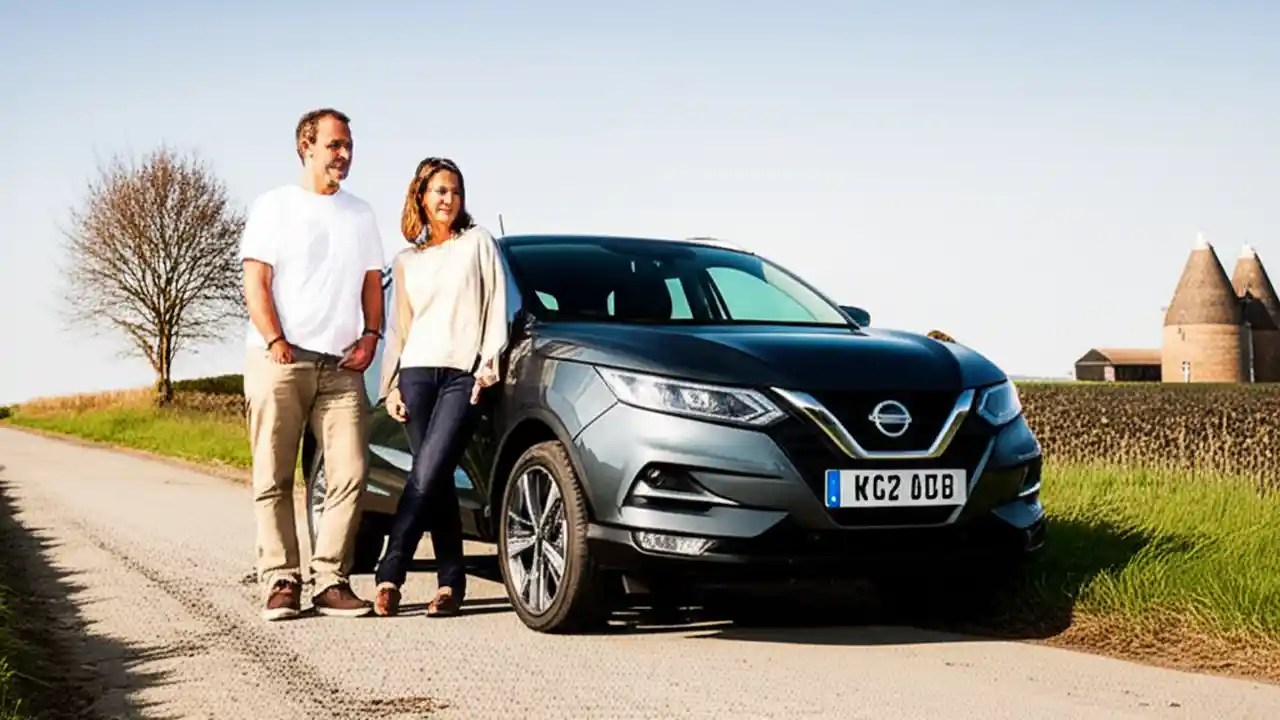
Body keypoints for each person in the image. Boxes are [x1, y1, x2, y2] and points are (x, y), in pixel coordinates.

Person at [239, 107, 385, 621]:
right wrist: (275, 339)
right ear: (306, 145)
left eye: (348, 145)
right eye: (334, 145)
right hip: (279, 359)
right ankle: (280, 580)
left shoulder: (361, 214)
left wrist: (371, 337)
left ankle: (330, 581)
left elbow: (372, 283)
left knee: (350, 474)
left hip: (343, 368)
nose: (344, 154)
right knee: (274, 477)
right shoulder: (274, 207)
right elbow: (255, 281)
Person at [371, 156, 509, 617]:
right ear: (421, 198)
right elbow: (400, 330)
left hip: (461, 375)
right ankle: (451, 584)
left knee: (427, 473)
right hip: (415, 375)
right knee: (437, 480)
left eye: (455, 191)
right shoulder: (407, 261)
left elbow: (496, 307)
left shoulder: (478, 243)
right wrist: (390, 386)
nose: (448, 198)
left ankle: (390, 571)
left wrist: (488, 366)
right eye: (439, 191)